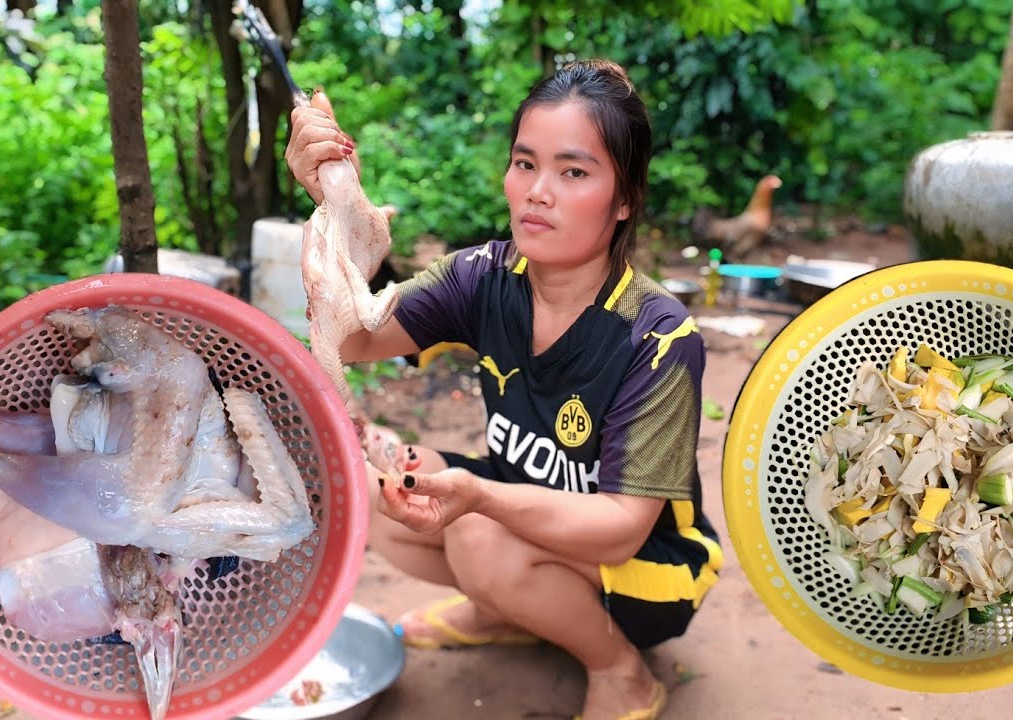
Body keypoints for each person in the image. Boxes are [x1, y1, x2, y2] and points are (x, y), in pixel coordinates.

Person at [285, 59, 721, 720]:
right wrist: (337, 204)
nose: (538, 191)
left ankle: (621, 670)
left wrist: (479, 496)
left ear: (625, 197)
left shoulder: (657, 336)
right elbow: (355, 339)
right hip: (534, 513)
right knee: (378, 493)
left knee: (477, 538)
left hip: (652, 567)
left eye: (573, 172)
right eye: (525, 164)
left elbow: (619, 534)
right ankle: (503, 612)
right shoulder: (483, 276)